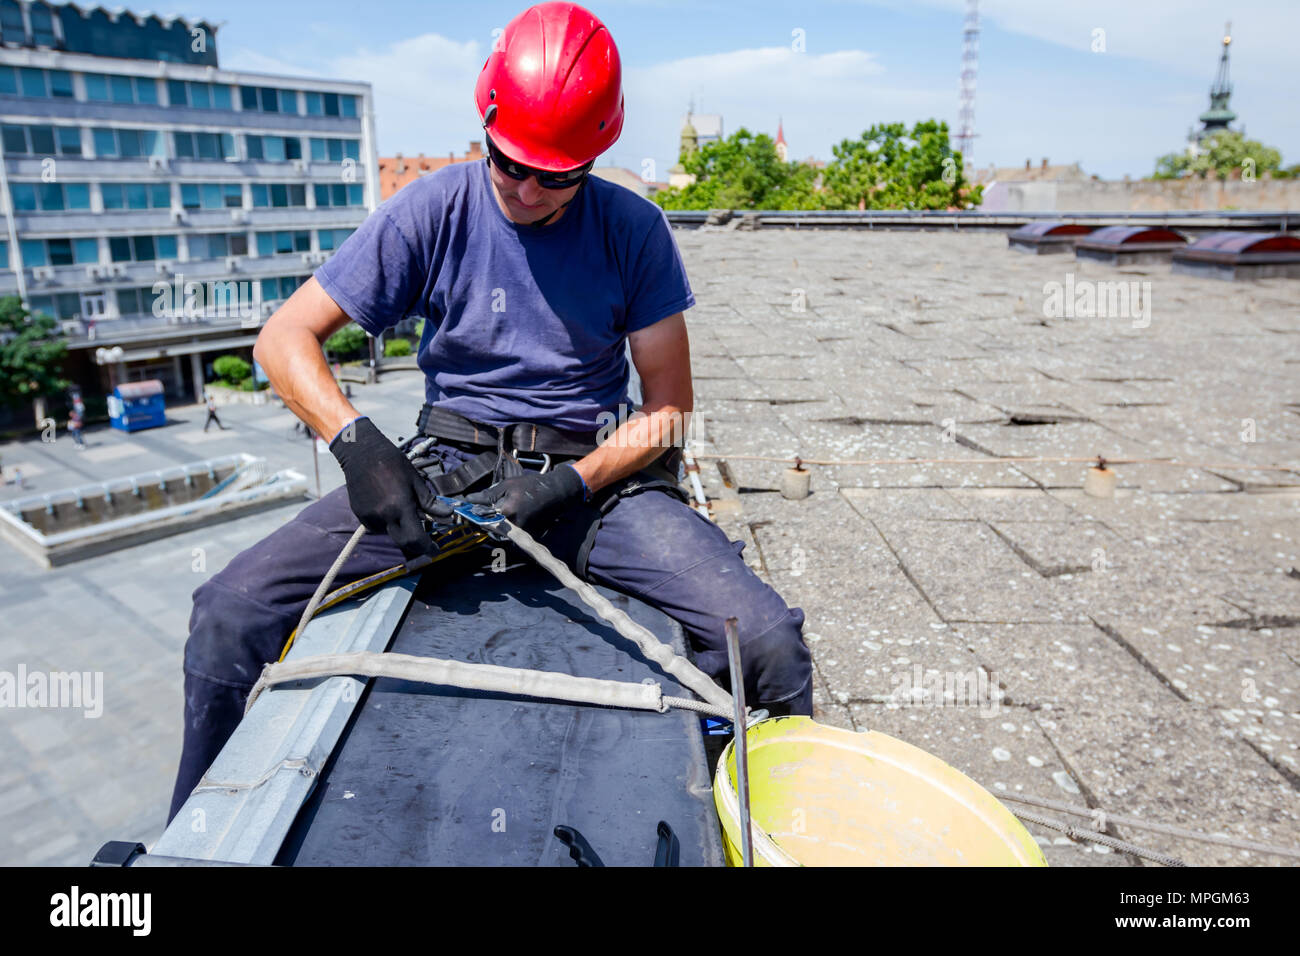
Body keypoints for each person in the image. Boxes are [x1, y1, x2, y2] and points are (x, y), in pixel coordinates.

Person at [167, 1, 812, 823]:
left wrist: (570, 486)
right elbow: (285, 337)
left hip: (592, 484)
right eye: (510, 163)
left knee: (765, 643)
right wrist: (359, 446)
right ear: (488, 123)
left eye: (556, 175)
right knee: (228, 611)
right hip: (449, 471)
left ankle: (774, 823)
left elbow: (668, 408)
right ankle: (193, 837)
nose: (527, 189)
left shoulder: (633, 230)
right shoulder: (434, 208)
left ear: (595, 154)